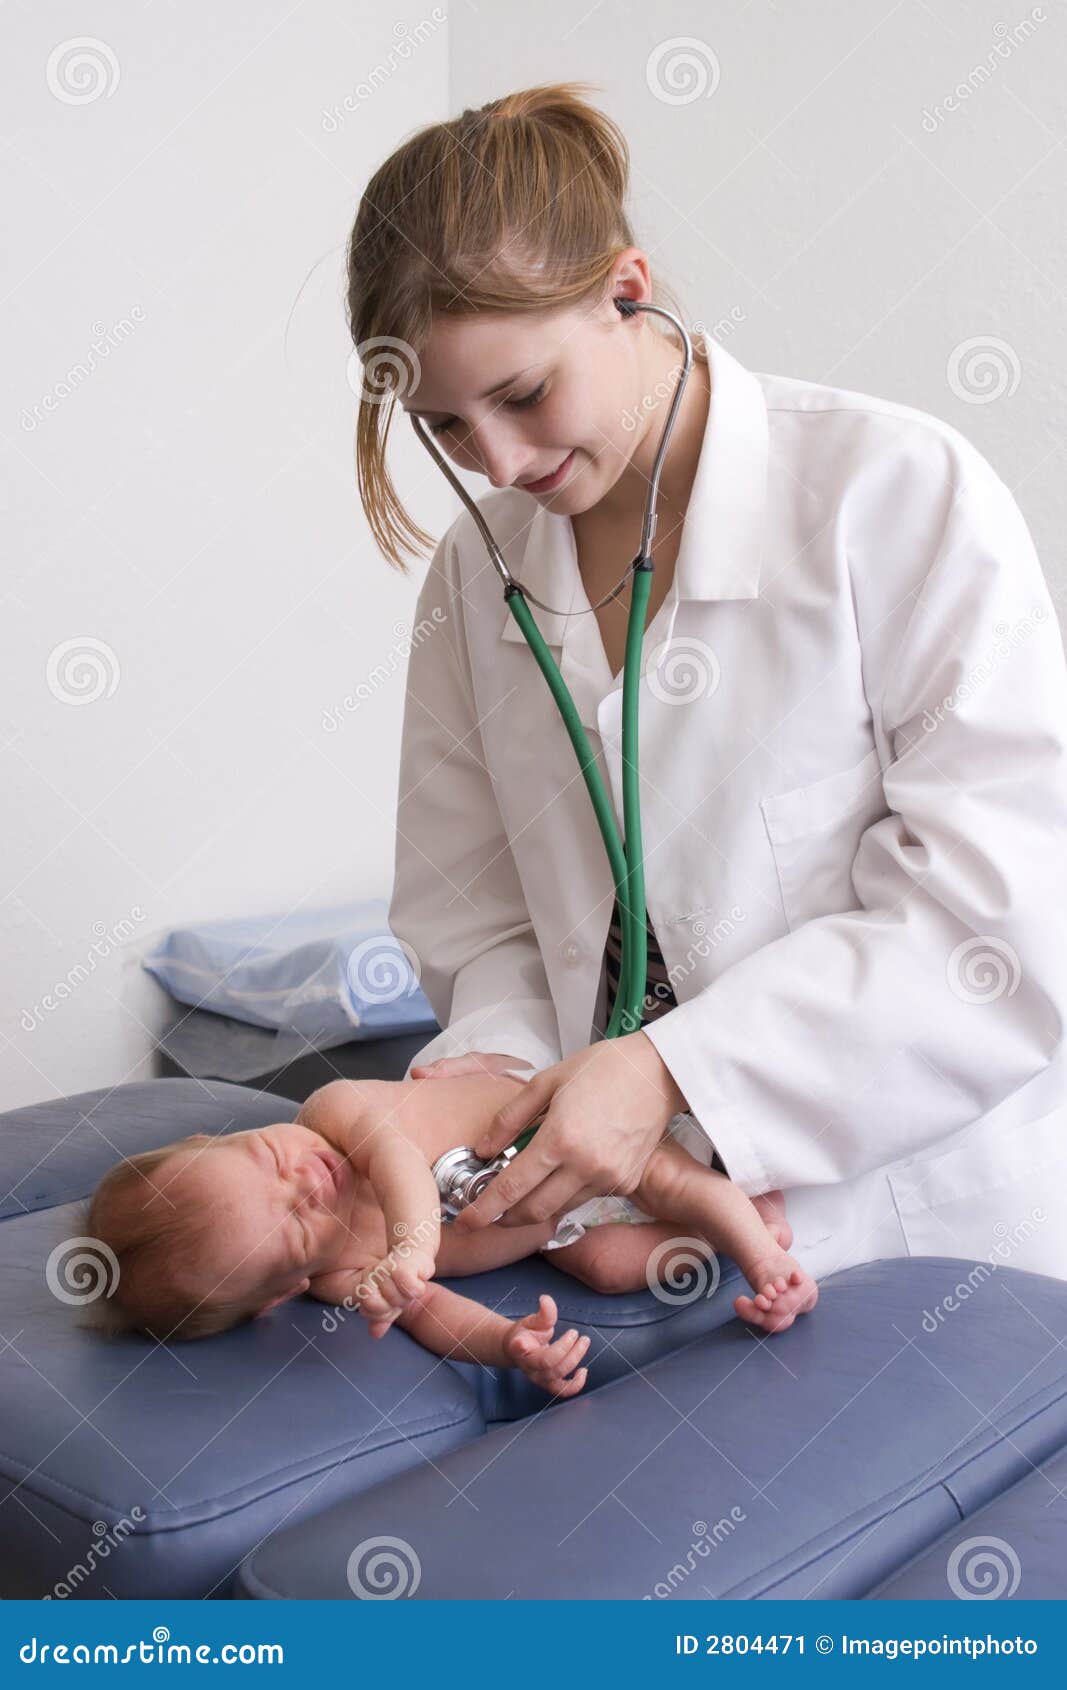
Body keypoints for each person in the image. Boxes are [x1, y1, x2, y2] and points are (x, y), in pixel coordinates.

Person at [347, 81, 1067, 1287]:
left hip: (927, 1237)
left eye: (521, 395)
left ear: (625, 290)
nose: (500, 460)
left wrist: (677, 1070)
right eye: (444, 425)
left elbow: (995, 932)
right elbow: (479, 923)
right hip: (616, 1232)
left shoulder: (889, 495)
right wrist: (488, 1095)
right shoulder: (476, 581)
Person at [77, 1074, 818, 1391]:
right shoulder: (344, 1280)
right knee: (614, 1265)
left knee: (664, 1180)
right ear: (284, 1293)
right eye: (298, 1224)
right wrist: (508, 1346)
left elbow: (398, 1162)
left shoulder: (330, 1112)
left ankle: (760, 1258)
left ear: (217, 1135)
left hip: (573, 1128)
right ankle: (745, 1226)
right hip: (560, 1222)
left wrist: (412, 1244)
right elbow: (430, 1315)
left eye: (270, 1158)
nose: (306, 1181)